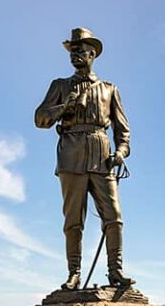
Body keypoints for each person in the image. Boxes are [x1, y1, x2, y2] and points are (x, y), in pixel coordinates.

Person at [35, 27, 134, 290]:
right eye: (72, 52)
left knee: (114, 217)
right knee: (73, 220)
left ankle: (116, 272)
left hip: (102, 157)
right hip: (70, 156)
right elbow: (40, 119)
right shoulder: (60, 86)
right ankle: (74, 274)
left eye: (80, 52)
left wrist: (121, 152)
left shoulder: (109, 89)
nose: (75, 56)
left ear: (92, 55)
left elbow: (123, 130)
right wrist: (64, 107)